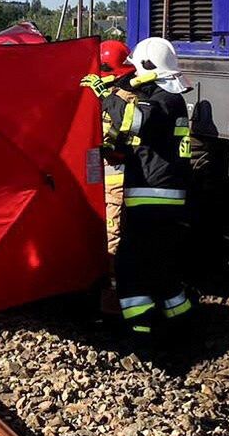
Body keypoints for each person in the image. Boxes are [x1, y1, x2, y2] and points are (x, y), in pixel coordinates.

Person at [100, 37, 195, 336]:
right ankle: (181, 318)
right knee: (160, 262)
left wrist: (107, 96)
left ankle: (139, 329)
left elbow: (132, 121)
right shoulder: (169, 98)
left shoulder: (162, 102)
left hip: (152, 194)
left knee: (129, 262)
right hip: (165, 194)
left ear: (149, 67)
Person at [79, 40, 137, 260]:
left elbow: (123, 134)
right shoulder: (105, 96)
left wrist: (106, 98)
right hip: (100, 176)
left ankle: (113, 290)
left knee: (112, 235)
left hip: (116, 177)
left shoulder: (126, 99)